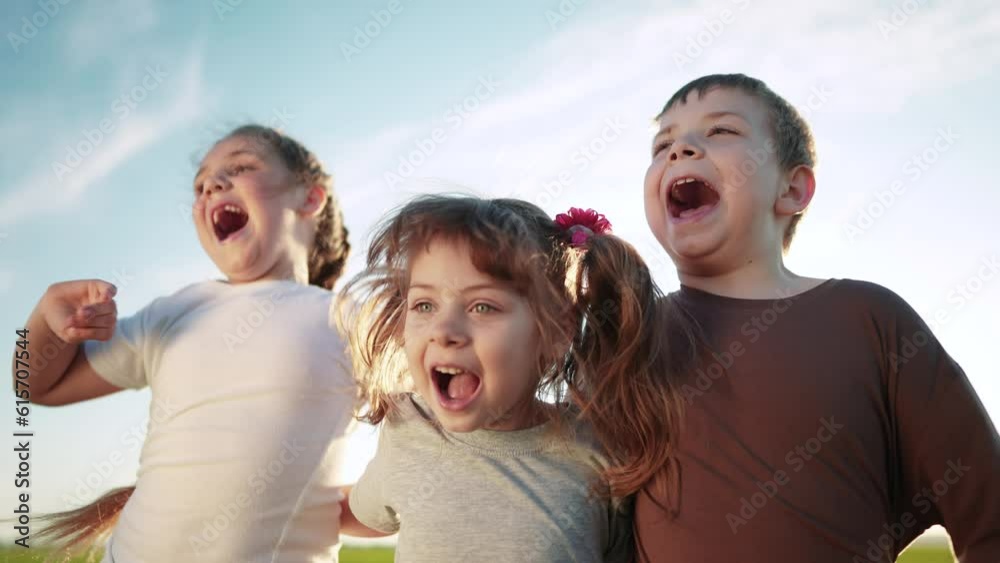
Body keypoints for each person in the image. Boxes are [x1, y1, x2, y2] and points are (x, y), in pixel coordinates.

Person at [579, 73, 1000, 562]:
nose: (680, 149)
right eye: (662, 144)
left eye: (721, 130)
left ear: (793, 189)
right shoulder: (628, 339)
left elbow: (989, 519)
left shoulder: (871, 320)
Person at [18, 124, 359, 562]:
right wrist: (45, 322)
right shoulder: (175, 312)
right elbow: (35, 385)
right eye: (200, 185)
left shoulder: (350, 319)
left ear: (310, 197)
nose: (212, 185)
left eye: (241, 167)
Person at [338, 195, 692, 562]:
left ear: (557, 332)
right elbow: (362, 513)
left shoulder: (598, 455)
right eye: (424, 305)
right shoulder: (407, 429)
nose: (442, 331)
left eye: (482, 306)